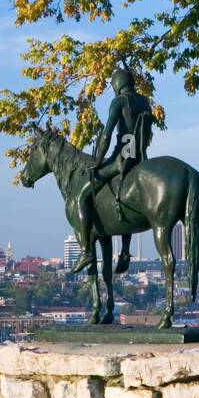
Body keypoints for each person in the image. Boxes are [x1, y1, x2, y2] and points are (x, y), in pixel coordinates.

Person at [70, 65, 155, 273]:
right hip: (140, 158)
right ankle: (125, 251)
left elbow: (107, 134)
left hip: (121, 158)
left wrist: (97, 161)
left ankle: (86, 251)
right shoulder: (145, 101)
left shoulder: (119, 102)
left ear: (117, 85)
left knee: (81, 197)